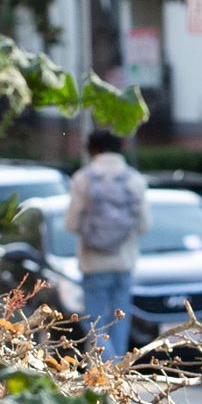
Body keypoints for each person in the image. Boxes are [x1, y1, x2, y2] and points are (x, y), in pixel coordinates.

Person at [63, 127, 150, 363]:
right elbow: (144, 226)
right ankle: (118, 367)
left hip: (93, 263)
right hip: (124, 262)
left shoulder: (83, 179)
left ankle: (108, 367)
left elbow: (70, 224)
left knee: (96, 323)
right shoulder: (134, 179)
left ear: (92, 149)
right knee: (120, 320)